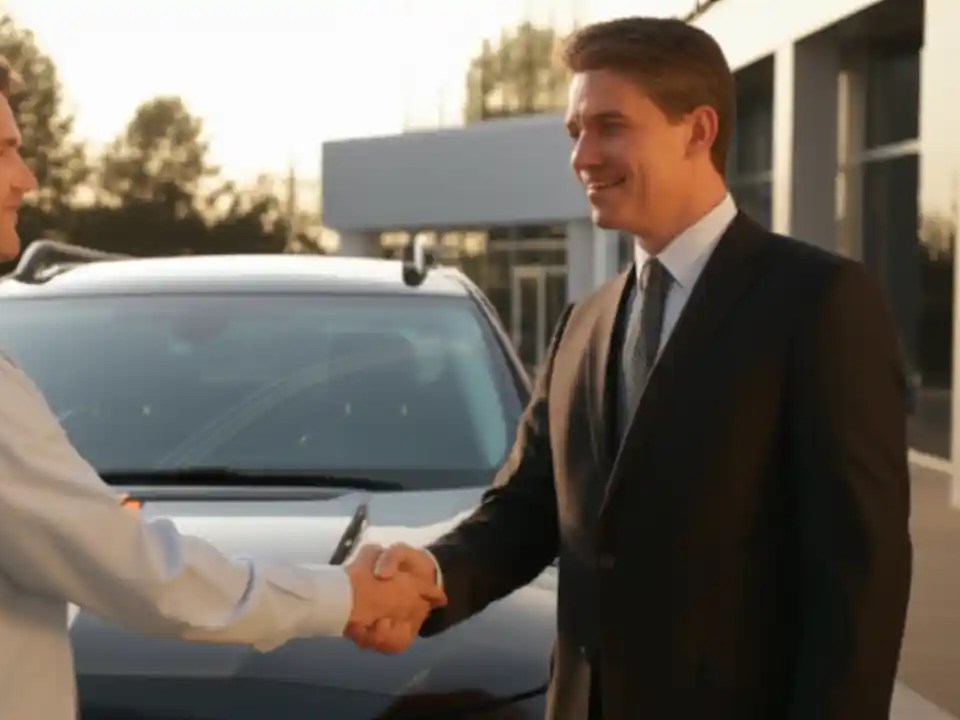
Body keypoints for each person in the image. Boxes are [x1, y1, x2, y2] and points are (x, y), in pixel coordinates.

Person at [0, 32, 442, 720]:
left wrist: (88, 515)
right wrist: (347, 595)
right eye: (2, 151)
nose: (25, 179)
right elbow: (129, 570)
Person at [357, 16, 912, 720]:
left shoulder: (819, 303)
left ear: (698, 130)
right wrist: (432, 573)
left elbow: (859, 577)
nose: (582, 156)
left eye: (610, 127)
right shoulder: (583, 324)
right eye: (575, 131)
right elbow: (526, 512)